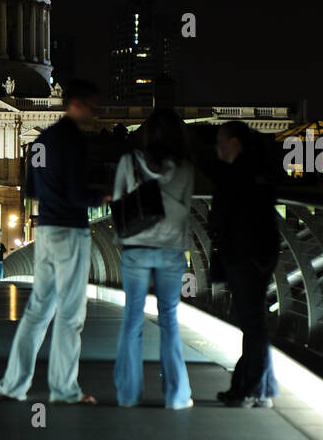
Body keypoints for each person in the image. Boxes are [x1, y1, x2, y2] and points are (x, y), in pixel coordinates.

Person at [0, 79, 107, 404]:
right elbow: (76, 193)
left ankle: (12, 386)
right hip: (70, 230)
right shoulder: (74, 142)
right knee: (71, 313)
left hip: (44, 230)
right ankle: (64, 389)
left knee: (38, 310)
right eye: (92, 105)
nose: (95, 112)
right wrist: (103, 195)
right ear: (77, 104)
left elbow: (30, 189)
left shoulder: (42, 141)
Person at [112, 108, 195, 409]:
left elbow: (119, 201)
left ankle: (129, 394)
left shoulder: (128, 161)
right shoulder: (185, 168)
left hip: (135, 247)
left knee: (132, 319)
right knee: (169, 320)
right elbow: (186, 208)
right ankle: (177, 395)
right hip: (172, 249)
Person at [208, 120, 280, 408]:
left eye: (221, 141)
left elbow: (233, 216)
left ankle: (250, 388)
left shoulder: (239, 173)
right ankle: (260, 387)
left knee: (252, 324)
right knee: (253, 323)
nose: (218, 147)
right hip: (256, 254)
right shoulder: (258, 170)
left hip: (245, 256)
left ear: (235, 141)